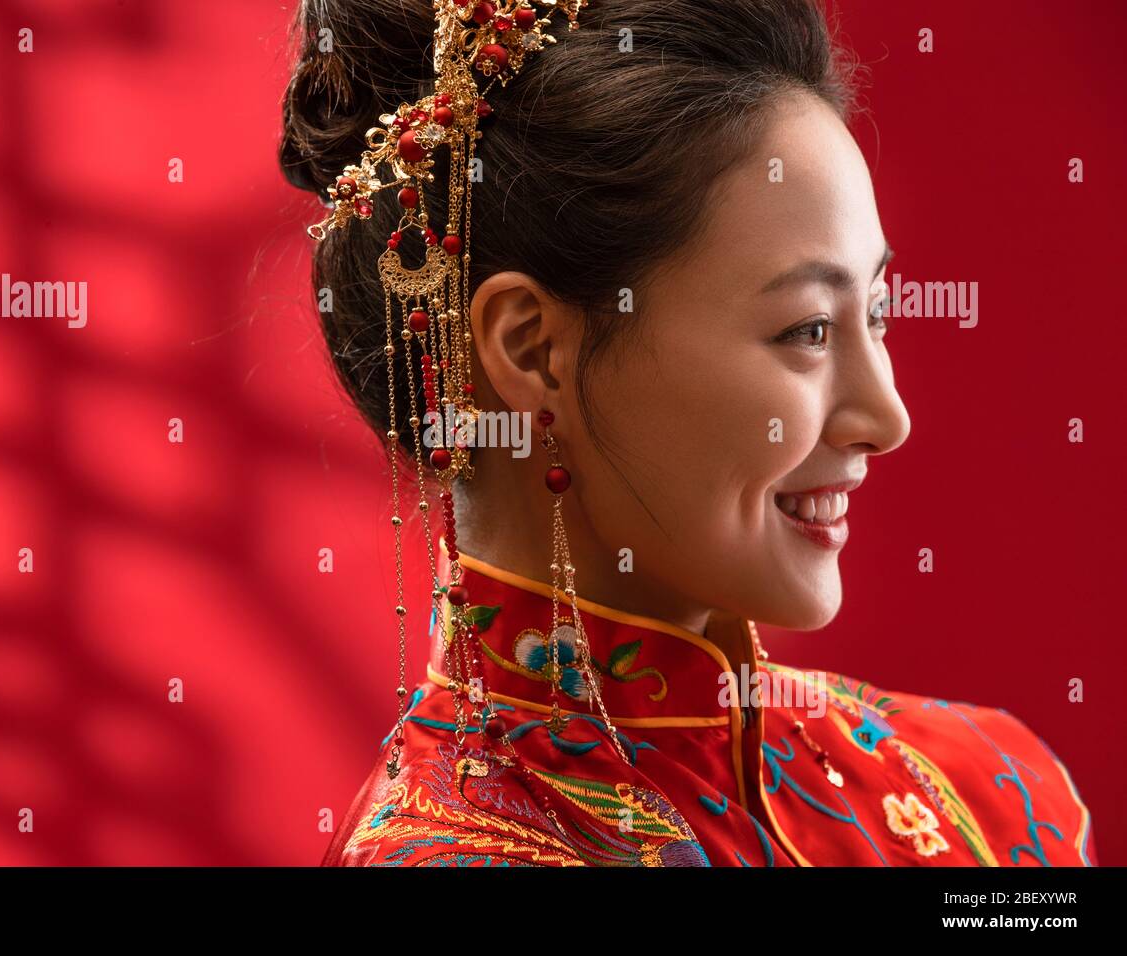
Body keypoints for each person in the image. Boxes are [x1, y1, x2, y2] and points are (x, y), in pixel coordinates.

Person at [280, 0, 1096, 866]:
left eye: (880, 314)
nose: (887, 418)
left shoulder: (976, 791)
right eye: (809, 330)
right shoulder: (459, 850)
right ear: (531, 347)